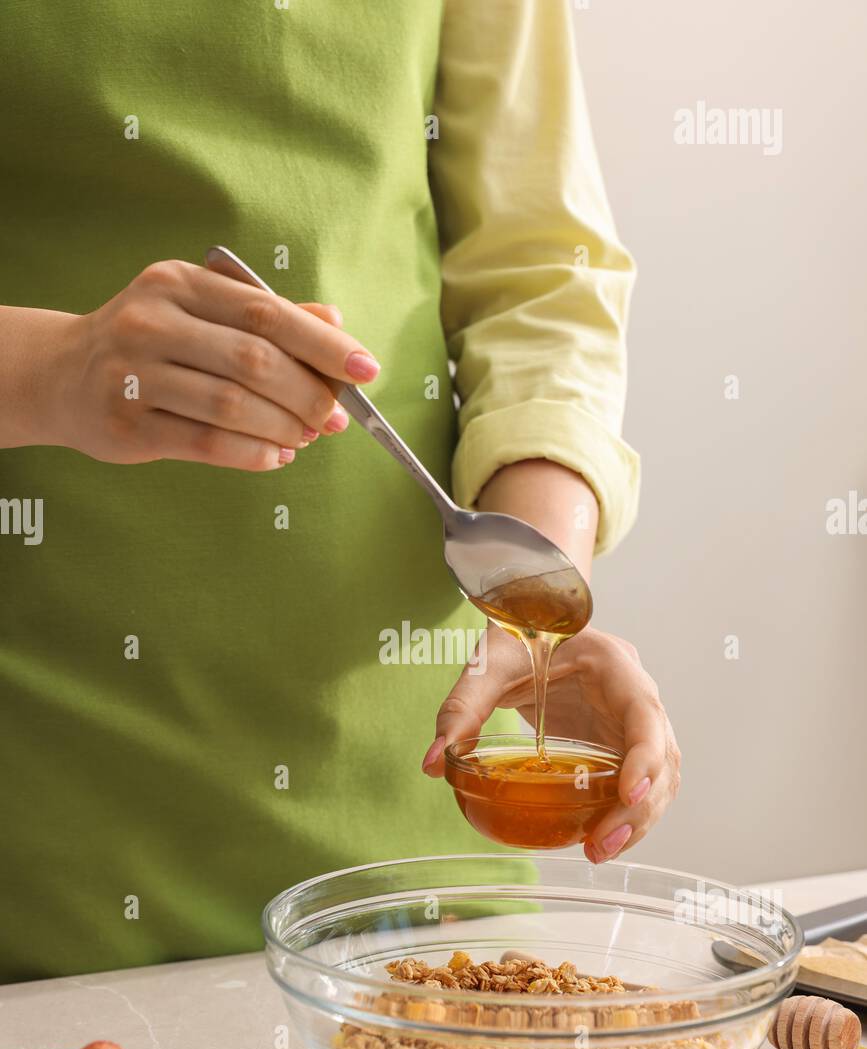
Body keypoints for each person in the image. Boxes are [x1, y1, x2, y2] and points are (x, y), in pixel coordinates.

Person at [0, 0, 679, 984]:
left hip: (416, 801)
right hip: (48, 824)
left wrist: (534, 587)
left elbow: (539, 273)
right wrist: (51, 368)